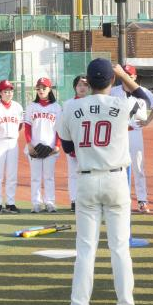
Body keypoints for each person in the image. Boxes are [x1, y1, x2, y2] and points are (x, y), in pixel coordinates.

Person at [56, 58, 153, 305]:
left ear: (87, 81)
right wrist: (125, 76)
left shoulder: (70, 106)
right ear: (112, 81)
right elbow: (151, 103)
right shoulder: (122, 103)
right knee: (120, 248)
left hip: (87, 179)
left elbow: (67, 147)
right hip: (116, 179)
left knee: (85, 249)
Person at [111, 65, 153, 213]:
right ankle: (119, 199)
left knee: (138, 168)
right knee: (117, 167)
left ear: (135, 77)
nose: (127, 77)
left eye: (130, 75)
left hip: (134, 132)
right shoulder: (113, 91)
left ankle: (142, 200)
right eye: (125, 74)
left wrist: (148, 121)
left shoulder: (143, 91)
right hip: (118, 134)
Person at [24, 77, 61, 213]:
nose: (41, 90)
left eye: (44, 88)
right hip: (35, 147)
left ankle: (50, 202)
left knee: (49, 177)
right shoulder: (31, 107)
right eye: (38, 88)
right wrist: (29, 144)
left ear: (49, 89)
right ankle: (36, 203)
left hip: (50, 147)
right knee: (35, 177)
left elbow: (59, 128)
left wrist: (57, 145)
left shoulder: (56, 107)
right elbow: (27, 127)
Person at [0, 80, 23, 214]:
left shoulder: (17, 107)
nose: (9, 93)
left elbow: (20, 125)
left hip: (13, 142)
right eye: (5, 91)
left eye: (10, 91)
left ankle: (10, 202)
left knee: (12, 174)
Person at [64, 75, 91, 212]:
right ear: (75, 87)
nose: (82, 87)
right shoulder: (68, 104)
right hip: (73, 142)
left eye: (85, 85)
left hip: (89, 144)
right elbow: (64, 125)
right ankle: (74, 200)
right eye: (80, 85)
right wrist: (69, 144)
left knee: (89, 173)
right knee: (73, 173)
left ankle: (88, 199)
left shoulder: (93, 102)